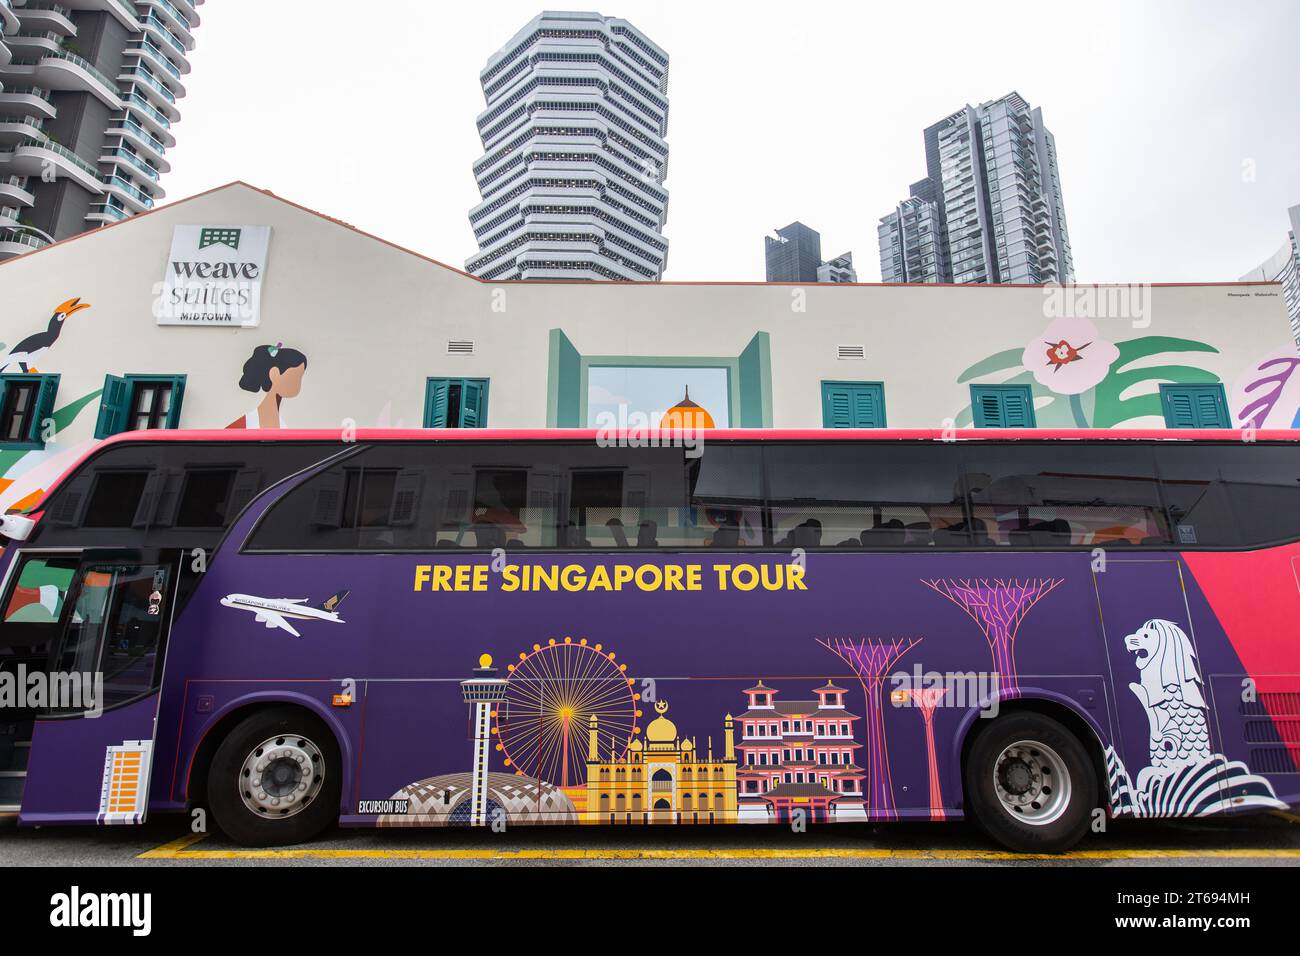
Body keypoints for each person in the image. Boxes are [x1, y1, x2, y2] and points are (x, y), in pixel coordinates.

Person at [227, 343, 307, 429]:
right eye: (294, 378)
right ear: (274, 374)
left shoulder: (282, 424)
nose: (298, 384)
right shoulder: (242, 425)